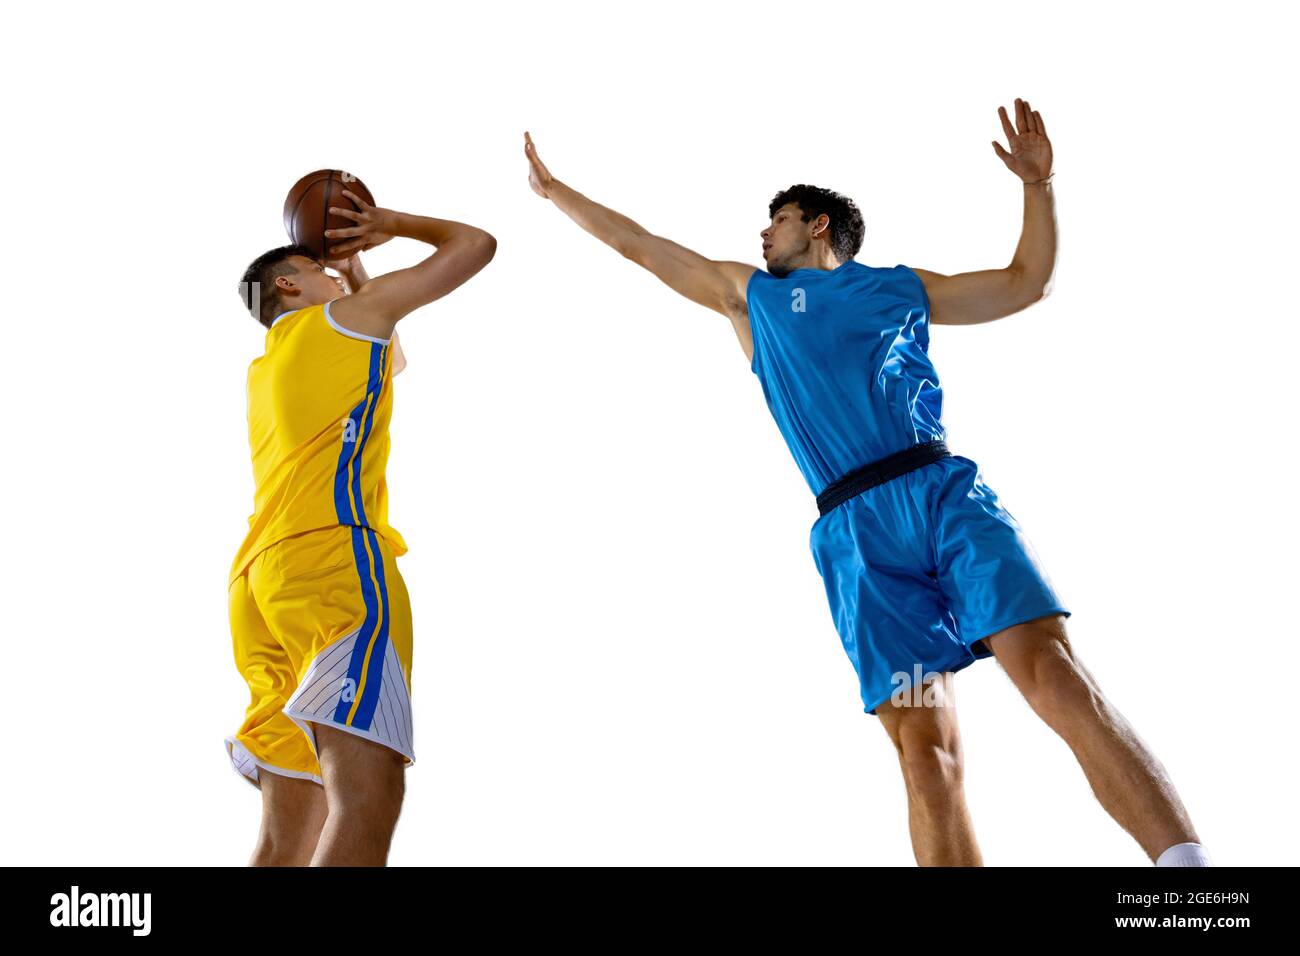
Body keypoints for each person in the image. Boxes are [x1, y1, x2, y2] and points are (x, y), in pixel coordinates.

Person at [522, 99, 1210, 867]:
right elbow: (641, 247)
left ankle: (1191, 885)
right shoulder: (753, 300)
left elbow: (1024, 284)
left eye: (776, 219)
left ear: (817, 225)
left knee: (1055, 678)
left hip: (944, 502)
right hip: (859, 543)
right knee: (927, 753)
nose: (762, 232)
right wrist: (556, 192)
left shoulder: (896, 289)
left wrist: (1038, 188)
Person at [227, 189, 496, 865]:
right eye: (319, 268)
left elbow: (391, 361)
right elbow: (475, 245)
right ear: (289, 283)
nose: (335, 274)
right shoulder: (343, 322)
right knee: (365, 803)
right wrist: (387, 227)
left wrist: (351, 275)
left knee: (289, 837)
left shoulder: (271, 365)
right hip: (335, 567)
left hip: (261, 586)